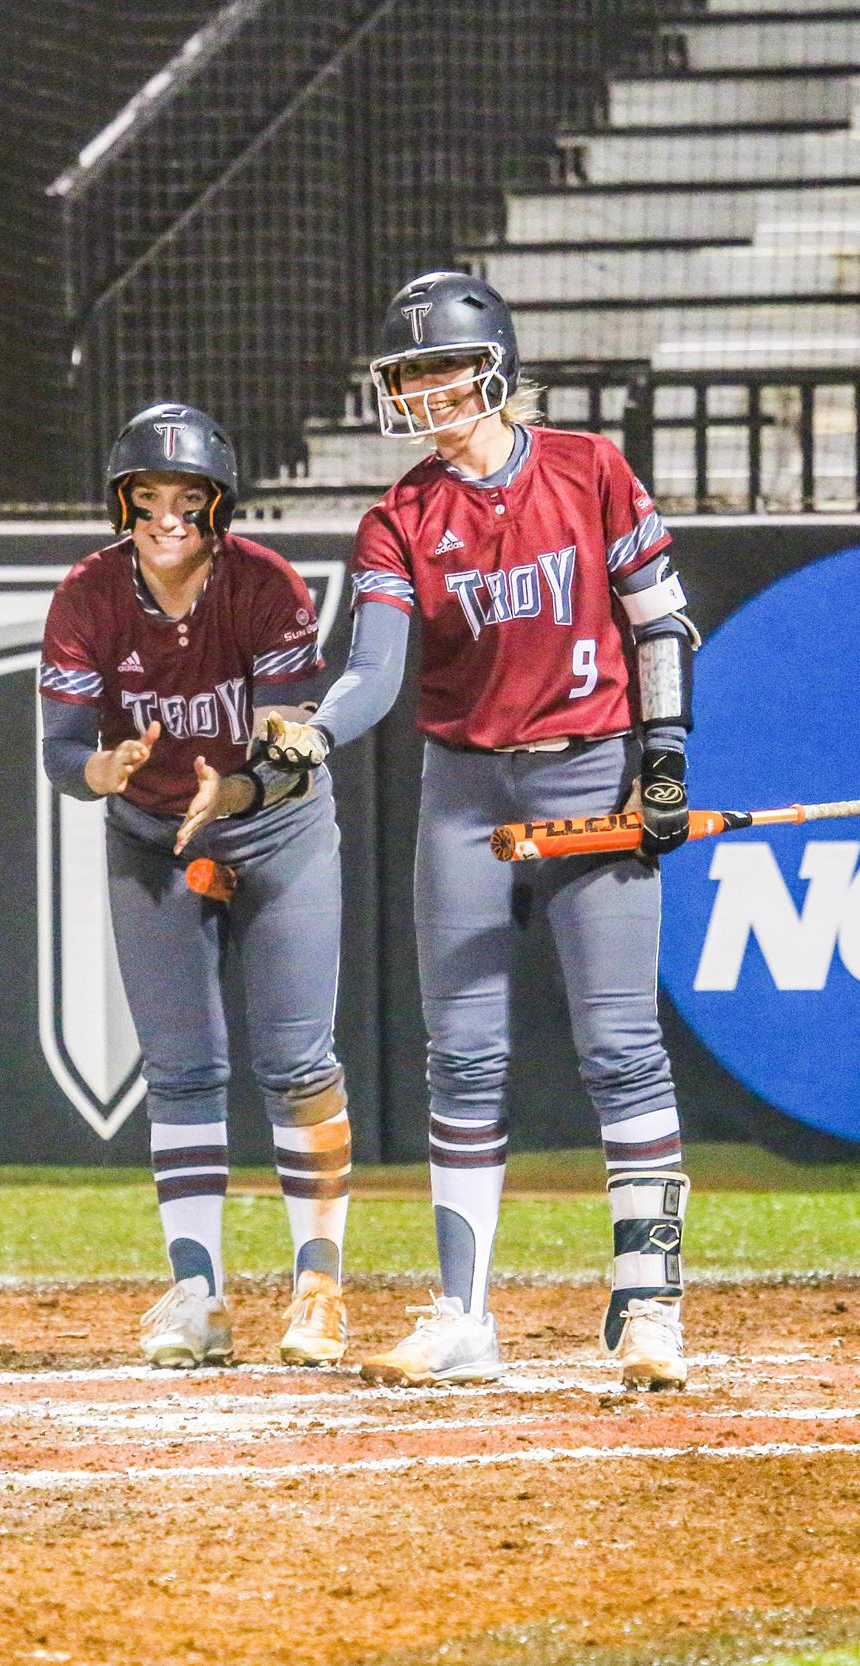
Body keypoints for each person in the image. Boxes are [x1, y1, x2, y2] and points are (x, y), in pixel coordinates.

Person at [261, 272, 694, 1392]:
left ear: (493, 362)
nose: (427, 389)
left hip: (590, 770)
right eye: (409, 374)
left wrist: (663, 756)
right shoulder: (397, 518)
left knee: (619, 1045)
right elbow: (374, 672)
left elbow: (659, 620)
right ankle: (463, 1313)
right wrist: (314, 730)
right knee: (461, 1054)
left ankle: (650, 1304)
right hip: (462, 790)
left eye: (443, 367)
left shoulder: (591, 469)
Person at [39, 402, 352, 1370]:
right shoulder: (87, 596)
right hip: (148, 831)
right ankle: (198, 1292)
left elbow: (294, 749)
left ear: (218, 508)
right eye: (147, 498)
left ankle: (320, 1288)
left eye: (187, 499)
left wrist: (236, 788)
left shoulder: (266, 587)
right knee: (179, 1069)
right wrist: (104, 771)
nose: (166, 517)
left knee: (298, 1062)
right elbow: (57, 751)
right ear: (121, 504)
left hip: (272, 822)